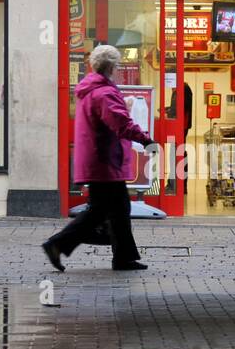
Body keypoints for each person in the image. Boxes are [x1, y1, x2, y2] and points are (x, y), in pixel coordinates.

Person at [43, 46, 155, 271]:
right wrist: (146, 140)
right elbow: (121, 123)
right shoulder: (104, 92)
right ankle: (57, 244)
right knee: (101, 212)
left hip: (99, 160)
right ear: (112, 67)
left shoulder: (92, 89)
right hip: (104, 162)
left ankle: (123, 257)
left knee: (118, 210)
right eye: (118, 65)